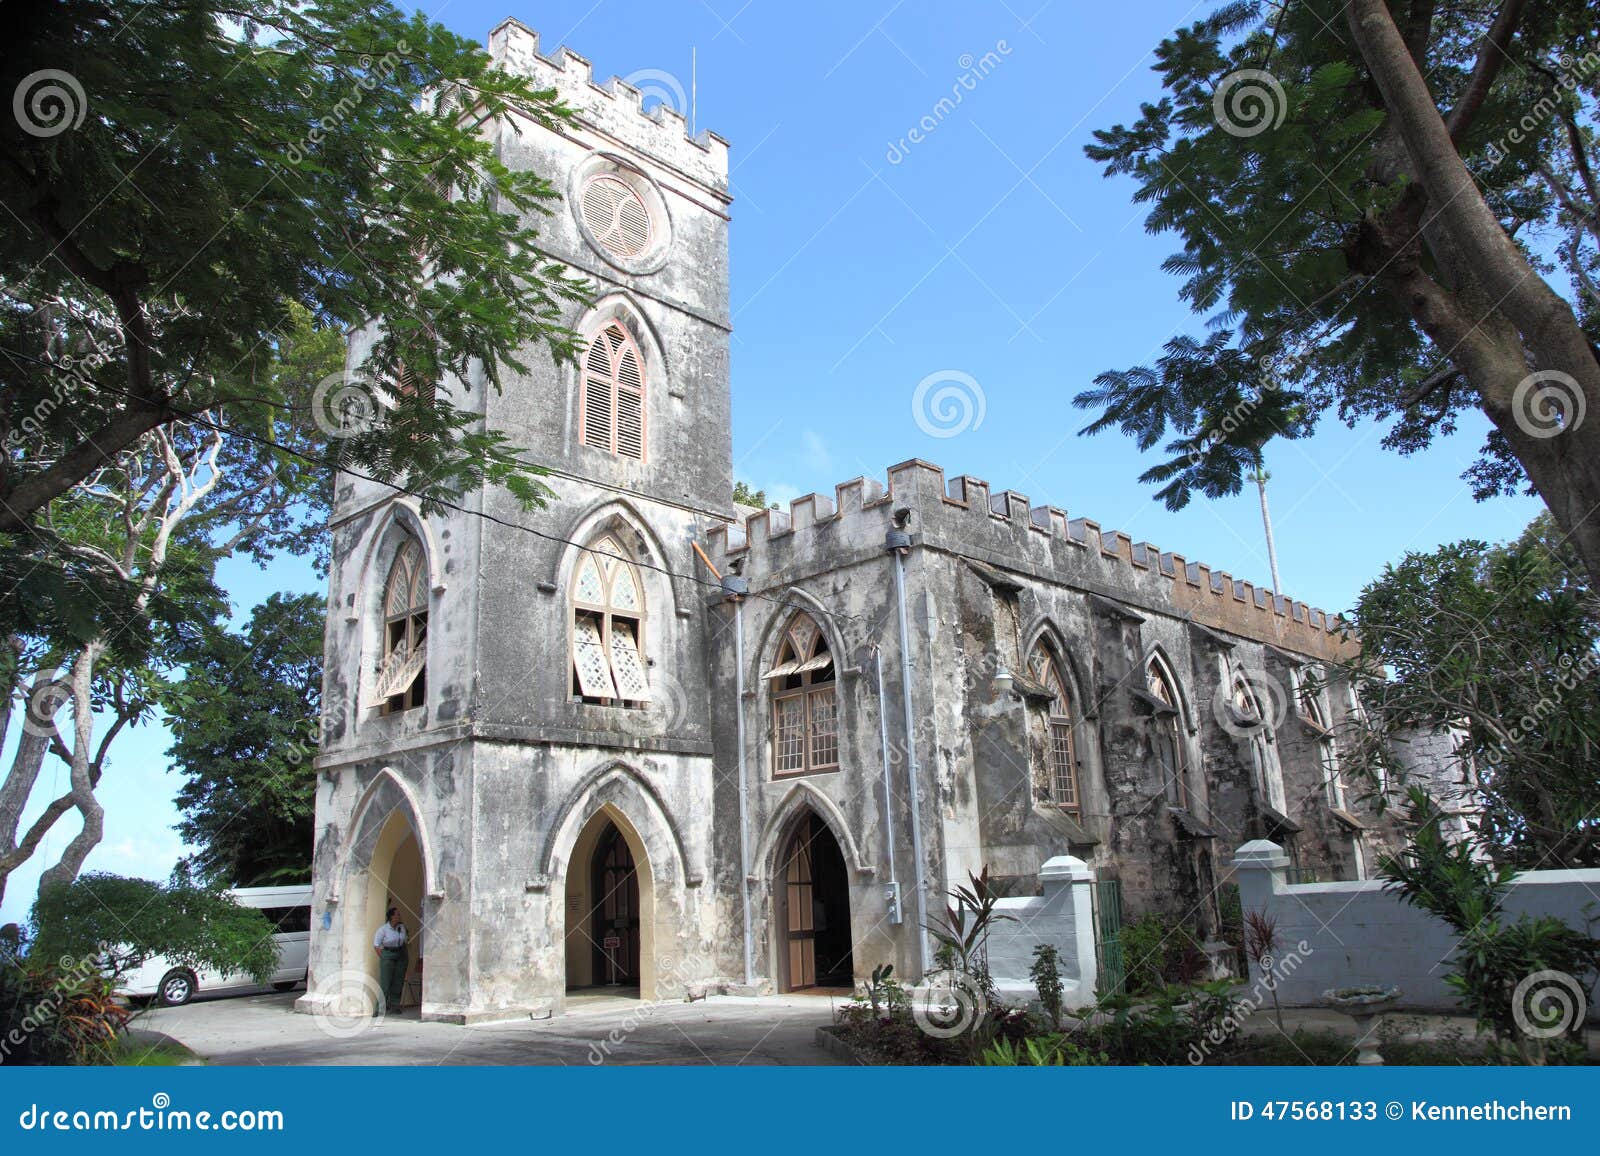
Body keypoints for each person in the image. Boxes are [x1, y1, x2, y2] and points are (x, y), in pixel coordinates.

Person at [372, 907, 408, 1015]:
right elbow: (376, 945)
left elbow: (404, 940)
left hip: (401, 954)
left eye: (399, 915)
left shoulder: (401, 927)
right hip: (388, 954)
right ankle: (379, 1008)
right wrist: (383, 957)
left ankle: (395, 1005)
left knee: (398, 981)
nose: (399, 916)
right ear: (391, 916)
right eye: (396, 914)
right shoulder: (383, 929)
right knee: (385, 983)